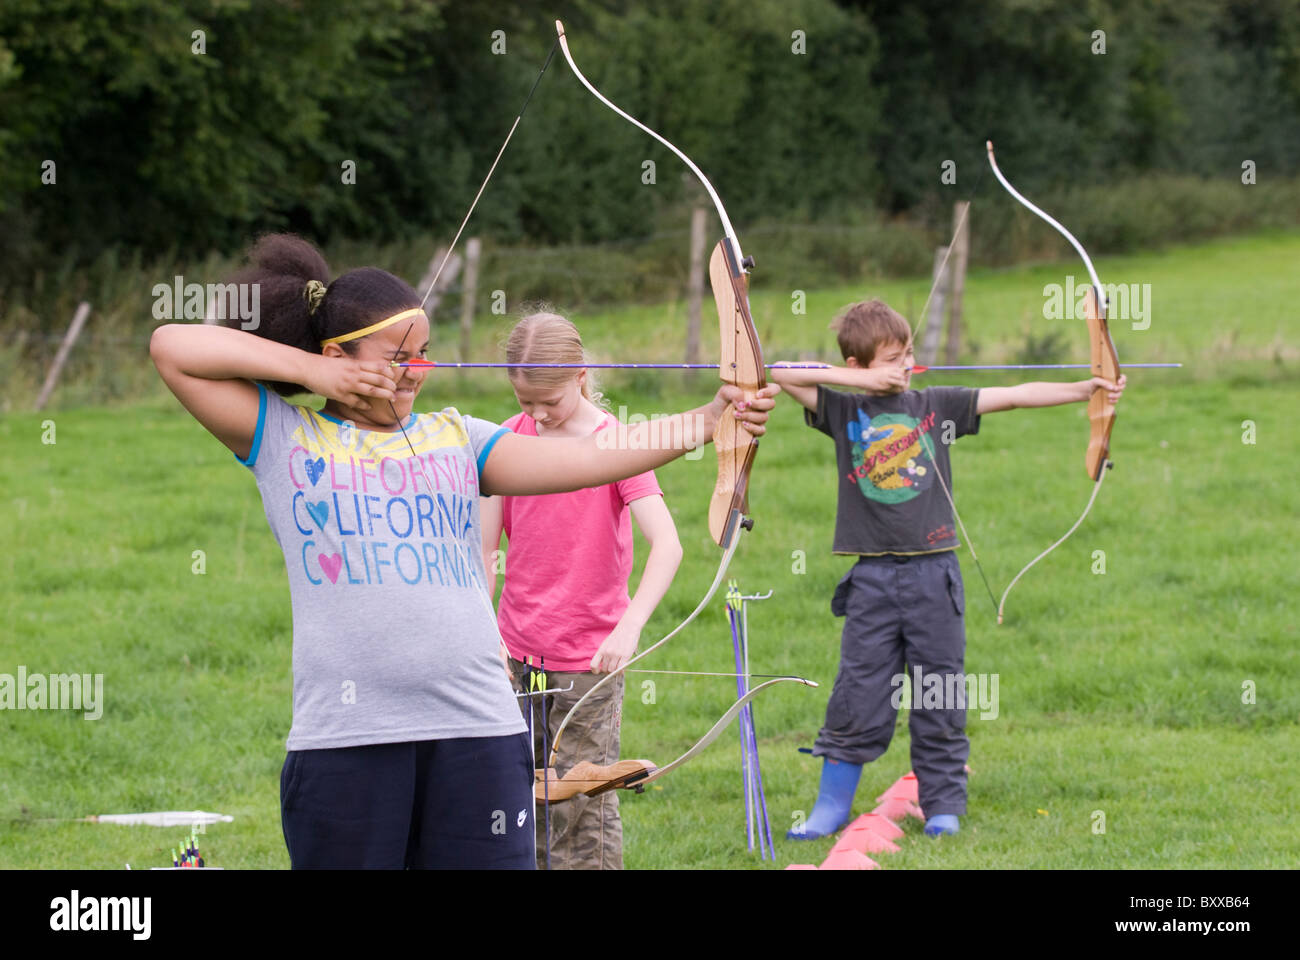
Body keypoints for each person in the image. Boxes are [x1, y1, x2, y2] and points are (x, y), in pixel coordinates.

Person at [148, 233, 777, 869]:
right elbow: (171, 348)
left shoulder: (458, 438)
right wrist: (314, 372)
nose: (419, 370)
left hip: (479, 730)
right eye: (399, 356)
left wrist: (708, 418)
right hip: (349, 739)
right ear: (340, 357)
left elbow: (594, 456)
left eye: (425, 353)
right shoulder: (287, 438)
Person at [769, 299, 1125, 839]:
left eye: (908, 353)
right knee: (859, 691)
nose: (905, 365)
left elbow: (1014, 395)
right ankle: (829, 808)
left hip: (936, 578)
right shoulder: (844, 412)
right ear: (857, 364)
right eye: (891, 358)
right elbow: (780, 372)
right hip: (871, 581)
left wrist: (1087, 389)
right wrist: (858, 380)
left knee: (940, 692)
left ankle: (943, 806)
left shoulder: (938, 405)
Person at [480, 312, 683, 870]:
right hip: (517, 655)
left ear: (580, 375)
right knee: (525, 791)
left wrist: (630, 625)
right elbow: (482, 554)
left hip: (588, 661)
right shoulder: (506, 442)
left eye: (551, 401)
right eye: (527, 402)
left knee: (581, 801)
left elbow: (667, 545)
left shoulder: (616, 445)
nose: (539, 415)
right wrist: (486, 634)